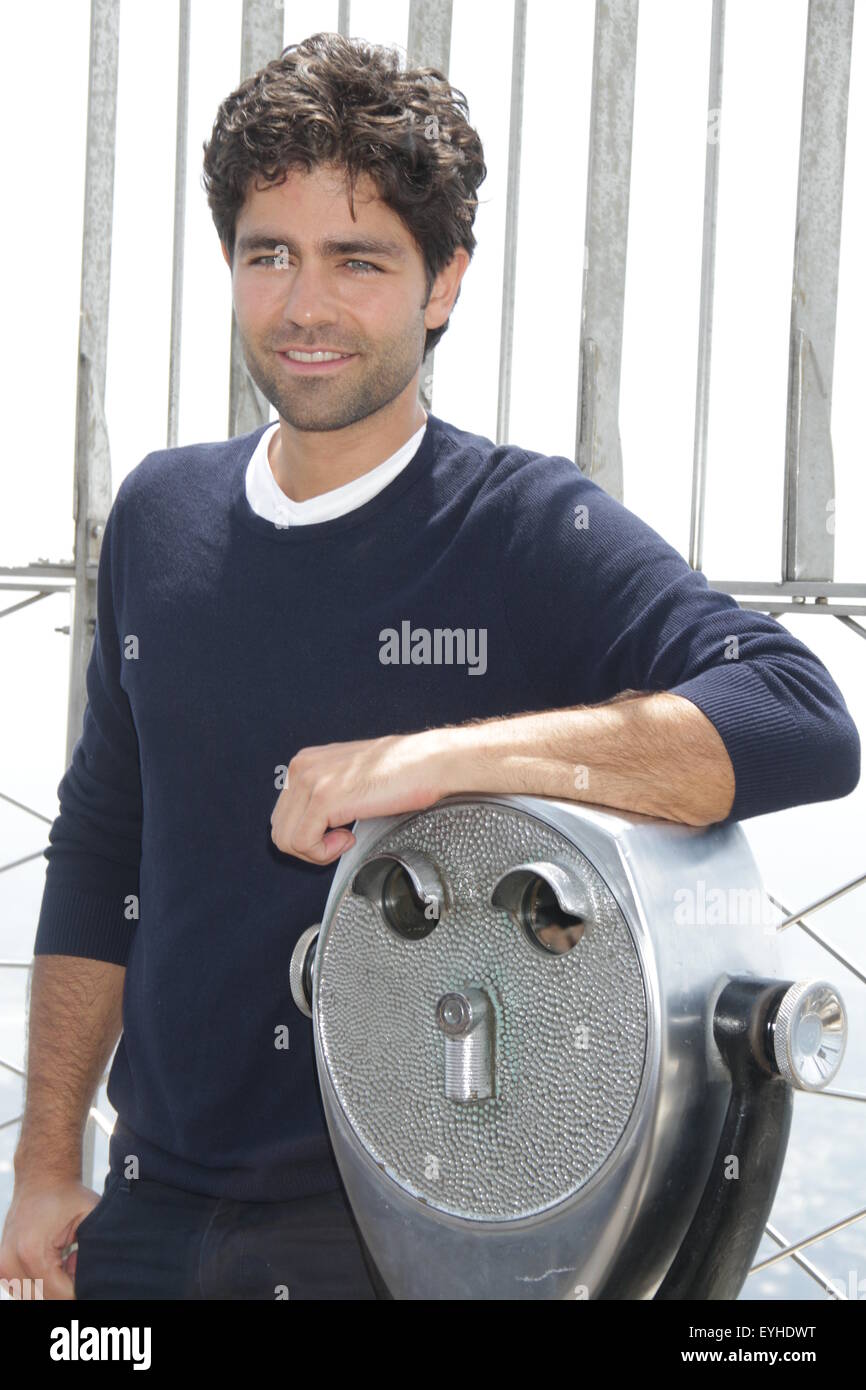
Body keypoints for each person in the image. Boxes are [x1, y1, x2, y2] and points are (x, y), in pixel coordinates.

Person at [0, 31, 859, 1302]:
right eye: (268, 254)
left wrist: (428, 761)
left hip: (397, 1231)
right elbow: (102, 846)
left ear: (442, 282)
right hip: (147, 1210)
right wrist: (45, 1151)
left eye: (359, 261)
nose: (304, 306)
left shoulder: (524, 528)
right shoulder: (158, 514)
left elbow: (800, 720)